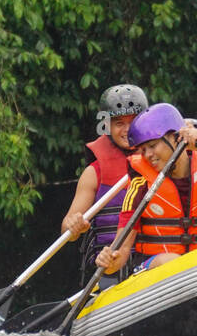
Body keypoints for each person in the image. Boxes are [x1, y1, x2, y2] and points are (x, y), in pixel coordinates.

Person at [97, 103, 197, 275]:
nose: (148, 155)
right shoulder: (140, 183)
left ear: (176, 137)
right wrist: (110, 262)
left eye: (152, 146)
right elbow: (121, 252)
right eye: (143, 150)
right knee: (170, 260)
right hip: (153, 269)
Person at [60, 84, 149, 282]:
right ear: (107, 126)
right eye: (119, 123)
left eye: (133, 122)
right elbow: (67, 229)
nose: (127, 130)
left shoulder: (161, 159)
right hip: (111, 271)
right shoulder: (94, 172)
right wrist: (73, 225)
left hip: (152, 262)